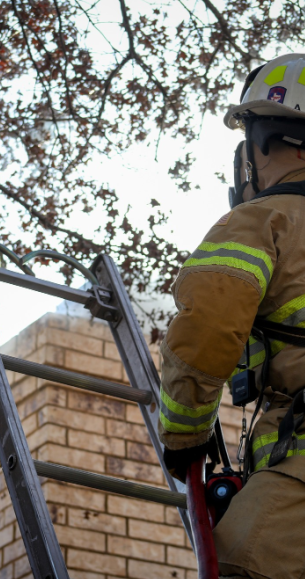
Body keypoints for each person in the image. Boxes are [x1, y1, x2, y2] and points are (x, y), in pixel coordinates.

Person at [159, 53, 305, 578]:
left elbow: (206, 330)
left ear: (259, 143)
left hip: (296, 492)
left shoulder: (260, 220)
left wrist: (184, 438)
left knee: (244, 566)